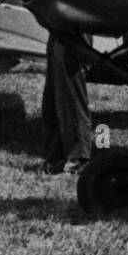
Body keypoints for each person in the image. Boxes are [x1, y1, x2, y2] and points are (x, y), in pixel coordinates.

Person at [39, 35, 92, 175]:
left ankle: (78, 160)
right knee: (53, 100)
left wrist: (84, 51)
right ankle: (55, 158)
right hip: (57, 31)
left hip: (72, 34)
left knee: (71, 99)